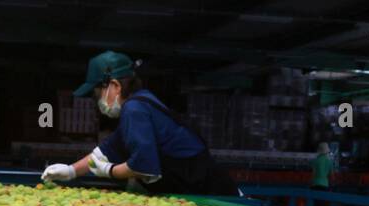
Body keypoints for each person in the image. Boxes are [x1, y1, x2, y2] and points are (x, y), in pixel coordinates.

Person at [41, 51, 237, 196]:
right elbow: (104, 152)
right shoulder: (141, 103)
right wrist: (71, 171)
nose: (96, 99)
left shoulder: (134, 109)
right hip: (197, 191)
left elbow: (144, 166)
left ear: (115, 86)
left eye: (97, 93)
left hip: (212, 193)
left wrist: (109, 171)